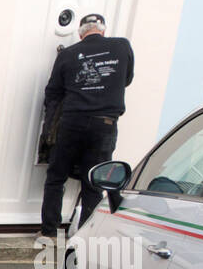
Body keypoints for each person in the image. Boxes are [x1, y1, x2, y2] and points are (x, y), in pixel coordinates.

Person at [39, 13, 134, 239]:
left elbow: (53, 91)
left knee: (56, 176)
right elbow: (126, 79)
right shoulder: (122, 46)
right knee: (94, 181)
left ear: (81, 33)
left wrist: (49, 125)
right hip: (105, 122)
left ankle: (49, 232)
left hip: (72, 121)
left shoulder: (68, 54)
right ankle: (83, 236)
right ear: (103, 30)